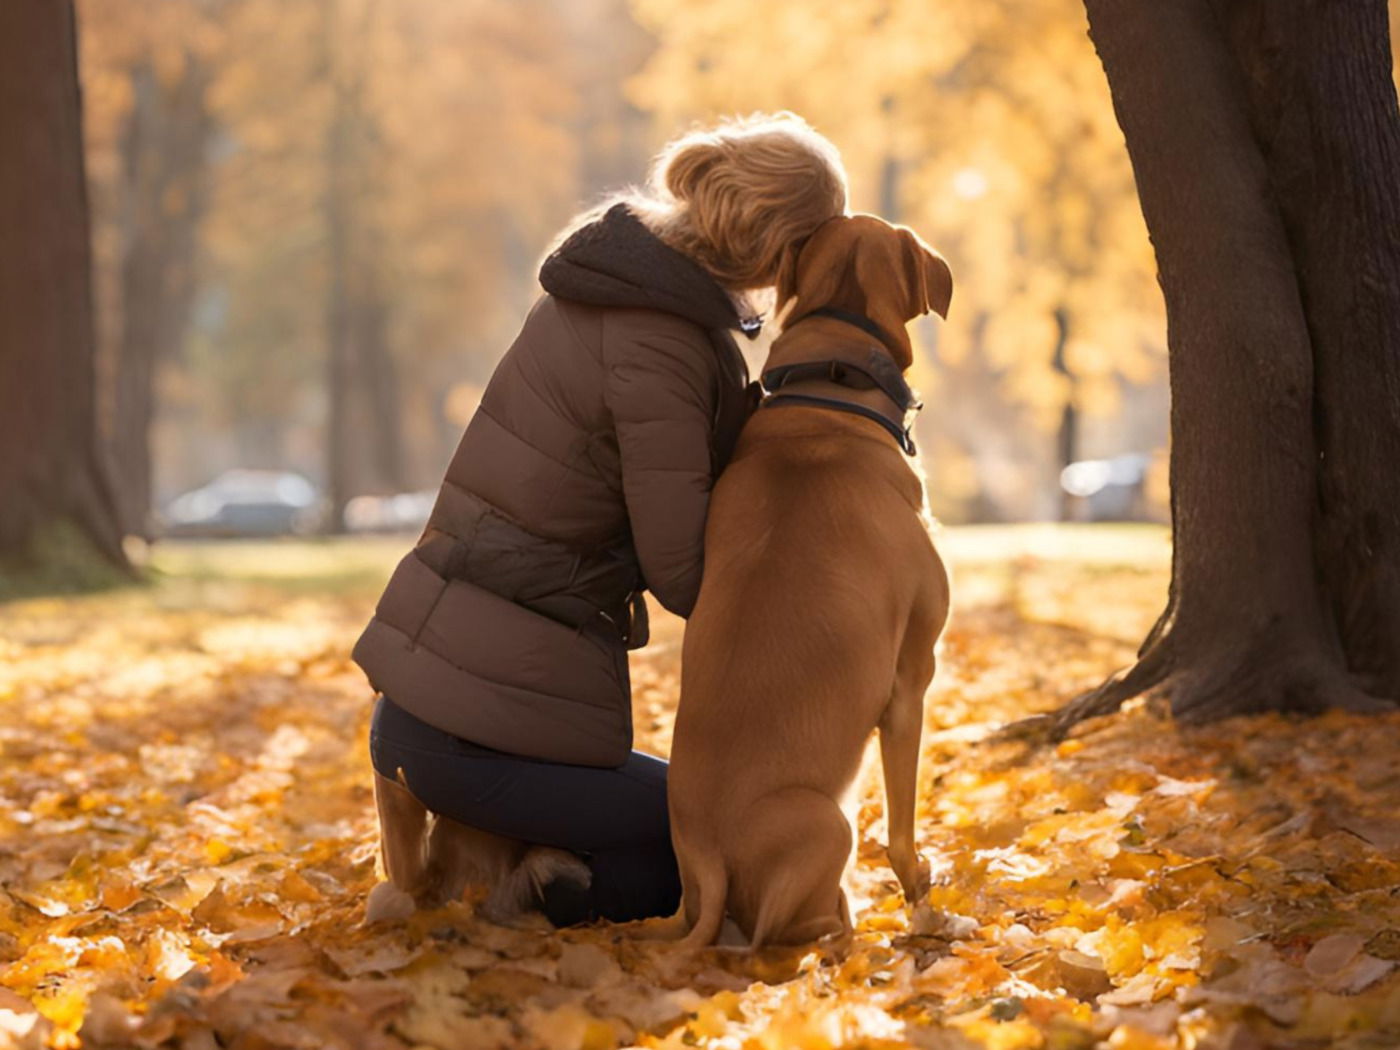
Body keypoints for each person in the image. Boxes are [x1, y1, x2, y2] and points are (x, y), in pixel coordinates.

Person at [353, 112, 849, 925]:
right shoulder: (659, 341)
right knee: (714, 839)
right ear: (779, 248)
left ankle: (491, 888)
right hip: (464, 735)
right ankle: (498, 907)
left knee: (683, 819)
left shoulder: (631, 285)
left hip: (436, 710)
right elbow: (682, 570)